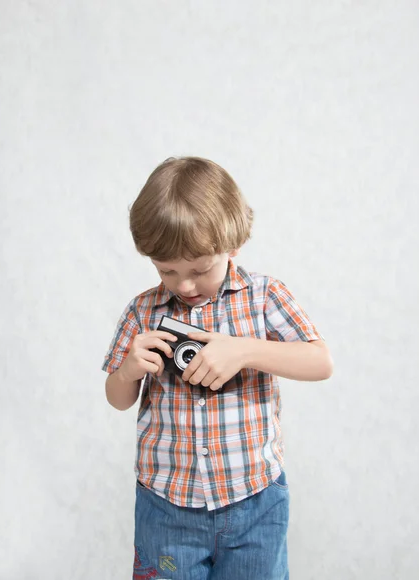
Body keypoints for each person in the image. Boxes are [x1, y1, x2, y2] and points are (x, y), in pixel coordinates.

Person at [102, 156, 333, 580]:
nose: (185, 285)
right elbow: (118, 399)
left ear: (235, 244)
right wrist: (128, 370)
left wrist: (244, 351)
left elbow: (320, 361)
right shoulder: (142, 311)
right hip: (166, 505)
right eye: (166, 270)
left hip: (254, 501)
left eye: (200, 269)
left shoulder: (263, 296)